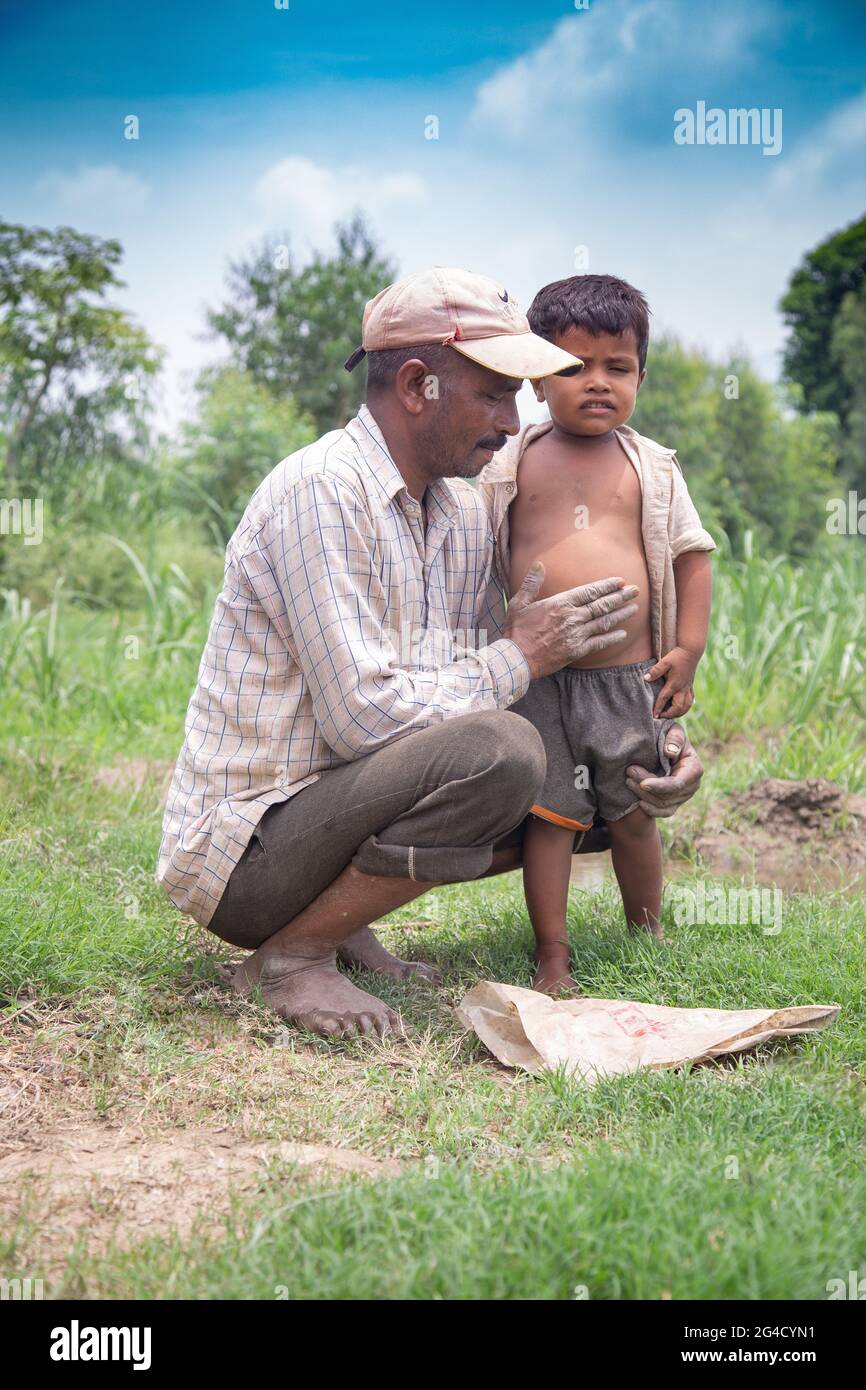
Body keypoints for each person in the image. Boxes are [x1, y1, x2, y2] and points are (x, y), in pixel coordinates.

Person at [157, 266, 705, 1039]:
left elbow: (504, 681)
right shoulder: (322, 491)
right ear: (417, 385)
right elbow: (365, 718)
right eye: (493, 394)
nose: (514, 424)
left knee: (573, 770)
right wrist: (522, 654)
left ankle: (342, 929)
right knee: (505, 752)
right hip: (249, 860)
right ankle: (290, 959)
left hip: (331, 815)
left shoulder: (459, 509)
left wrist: (652, 737)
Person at [478, 274, 715, 994]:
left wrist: (688, 650)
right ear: (538, 380)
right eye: (575, 366)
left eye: (619, 366)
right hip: (541, 679)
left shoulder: (654, 468)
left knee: (636, 810)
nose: (598, 383)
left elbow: (692, 555)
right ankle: (554, 956)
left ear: (641, 374)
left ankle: (648, 930)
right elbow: (475, 555)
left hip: (629, 679)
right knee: (550, 819)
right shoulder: (511, 464)